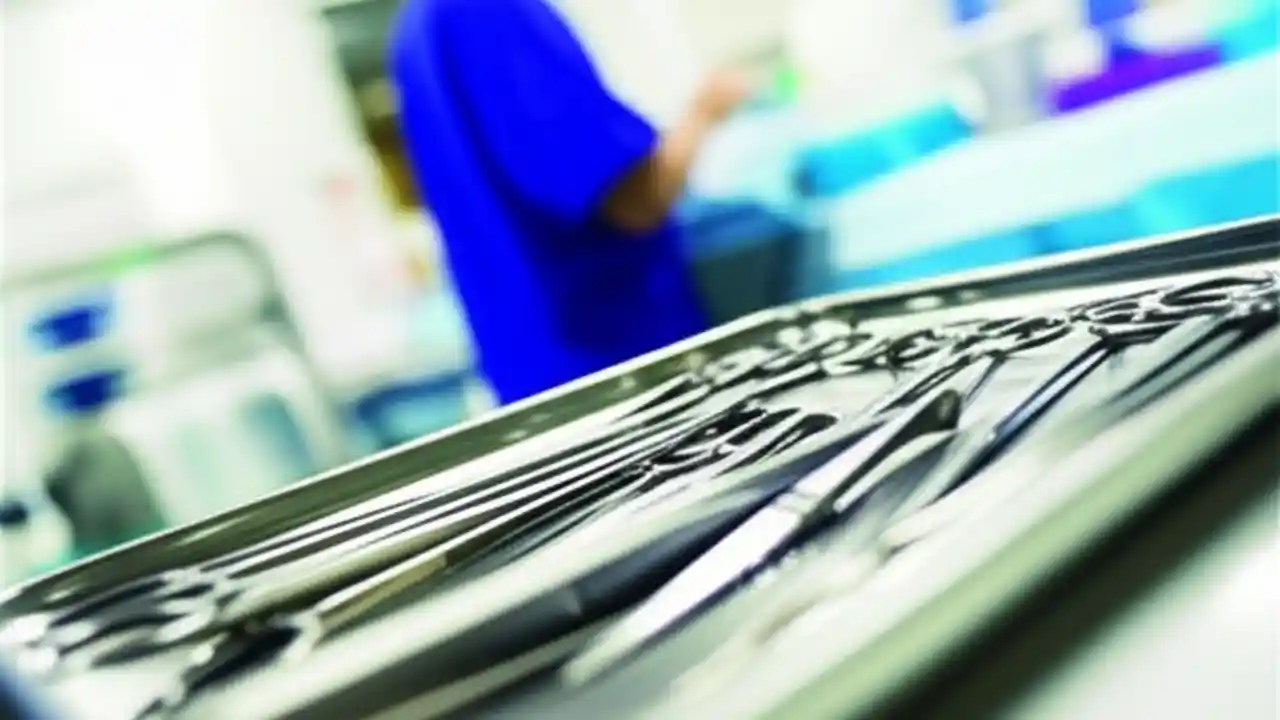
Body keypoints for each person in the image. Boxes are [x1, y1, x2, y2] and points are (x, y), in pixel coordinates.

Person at [390, 0, 750, 404]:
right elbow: (634, 200)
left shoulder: (415, 30)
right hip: (620, 379)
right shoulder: (487, 10)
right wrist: (706, 110)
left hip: (544, 384)